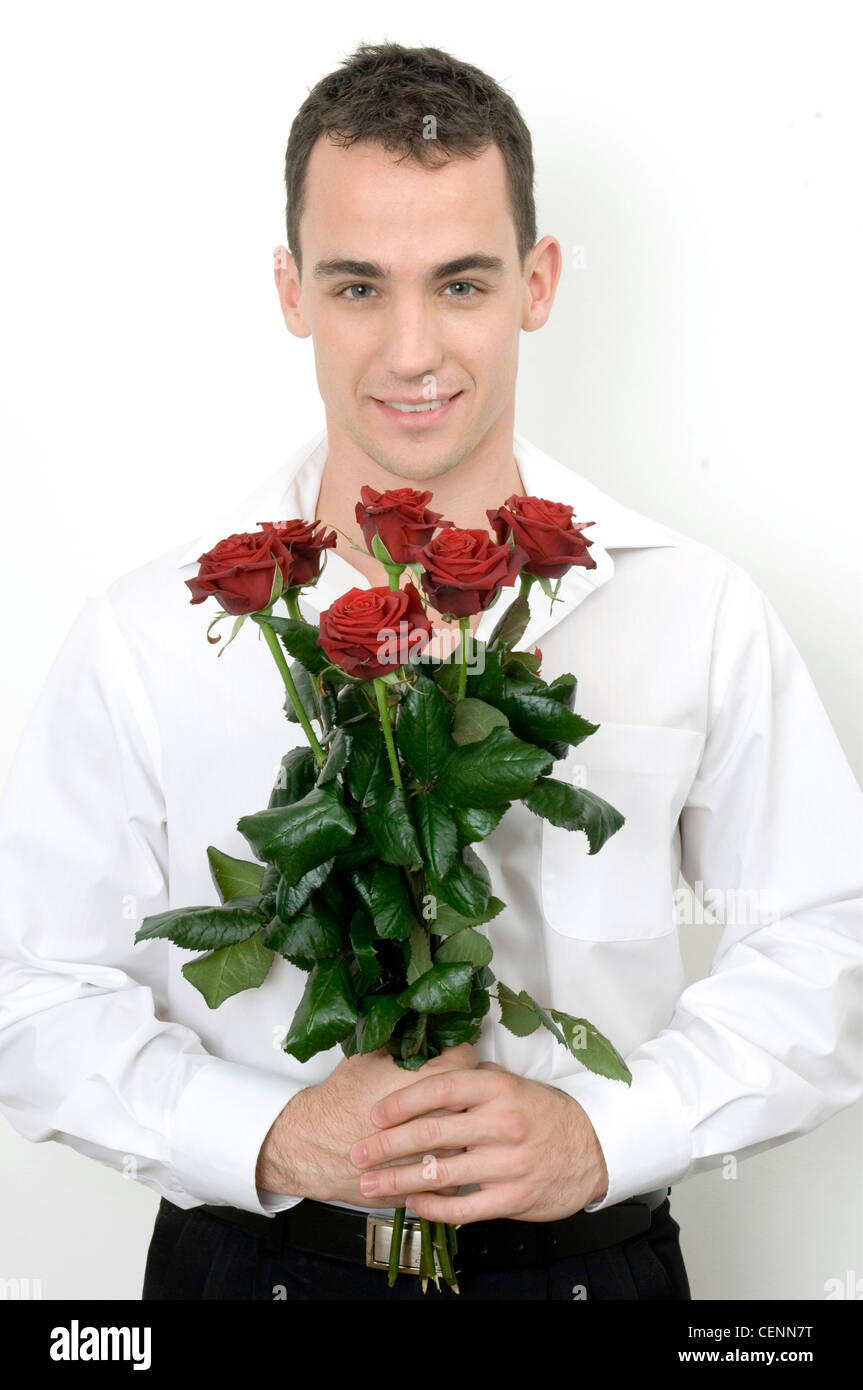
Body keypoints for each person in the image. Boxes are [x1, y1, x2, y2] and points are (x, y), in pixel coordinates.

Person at [1, 42, 861, 1303]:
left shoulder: (695, 609)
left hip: (587, 1275)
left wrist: (606, 1133)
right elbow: (33, 989)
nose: (412, 351)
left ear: (537, 281)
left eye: (460, 283)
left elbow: (828, 938)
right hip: (255, 1275)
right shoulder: (143, 634)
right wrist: (269, 1134)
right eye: (358, 285)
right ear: (291, 290)